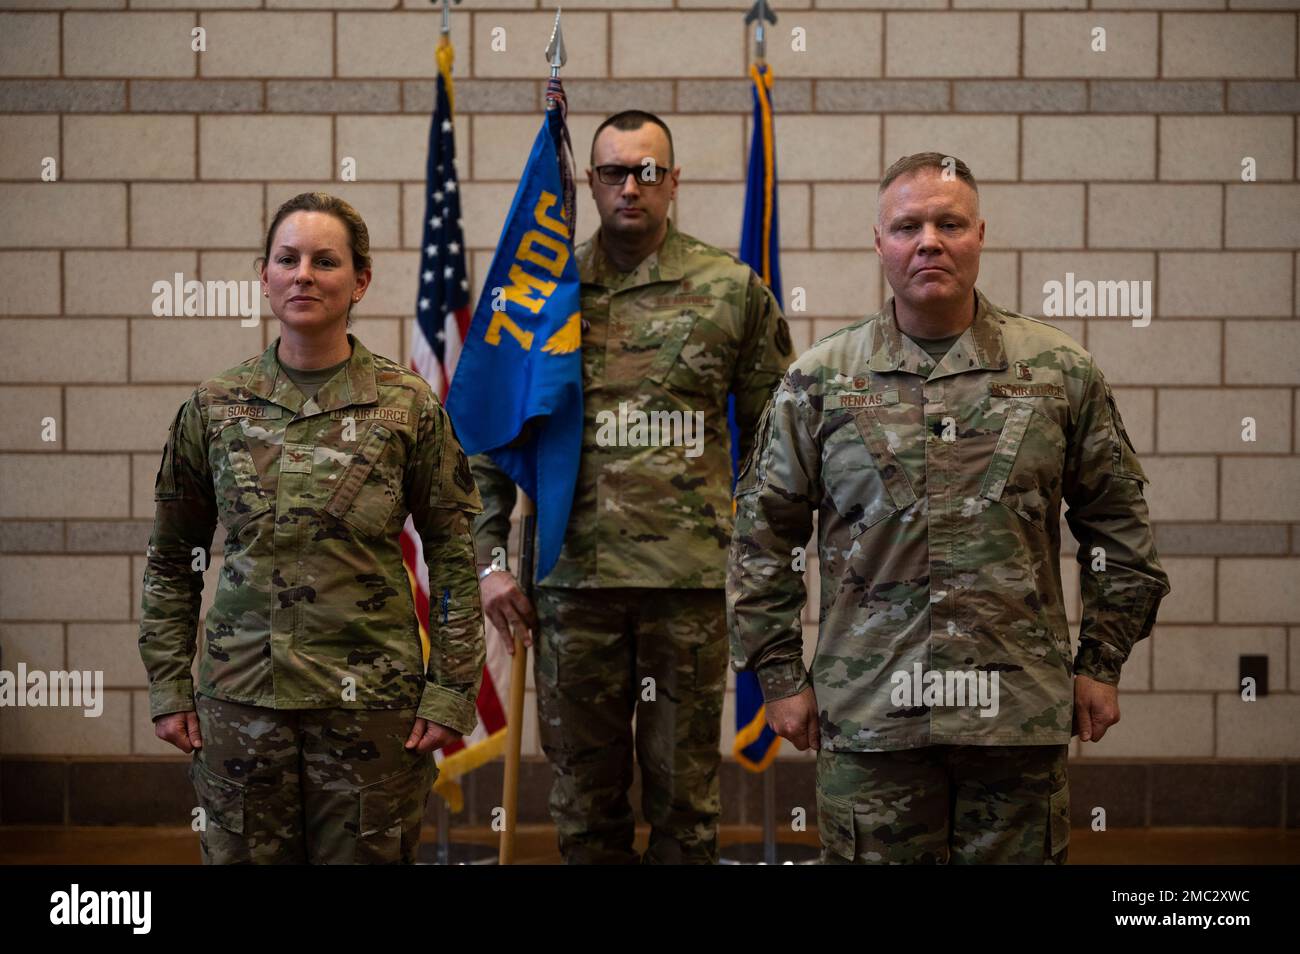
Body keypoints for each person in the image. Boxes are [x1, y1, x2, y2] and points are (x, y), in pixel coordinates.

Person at [727, 152, 1171, 864]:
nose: (928, 240)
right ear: (880, 244)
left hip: (1016, 718)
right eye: (908, 226)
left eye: (949, 223)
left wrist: (1102, 662)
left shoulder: (1058, 373)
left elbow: (1120, 533)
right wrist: (779, 677)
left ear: (980, 235)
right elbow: (759, 537)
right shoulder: (818, 381)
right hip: (871, 721)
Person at [472, 110, 794, 864]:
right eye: (614, 171)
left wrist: (752, 551)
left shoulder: (730, 291)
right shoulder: (541, 295)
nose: (631, 186)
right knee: (585, 804)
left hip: (687, 592)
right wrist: (490, 563)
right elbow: (489, 445)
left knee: (685, 804)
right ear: (589, 181)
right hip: (568, 586)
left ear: (674, 182)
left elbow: (779, 442)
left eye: (647, 170)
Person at [139, 192, 485, 864]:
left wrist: (449, 692)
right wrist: (168, 683)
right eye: (287, 259)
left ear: (359, 280)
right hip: (242, 705)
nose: (304, 274)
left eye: (325, 261)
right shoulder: (213, 408)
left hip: (370, 710)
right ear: (263, 275)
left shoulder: (406, 406)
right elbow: (172, 558)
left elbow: (452, 558)